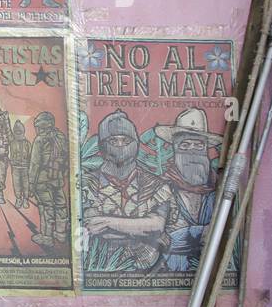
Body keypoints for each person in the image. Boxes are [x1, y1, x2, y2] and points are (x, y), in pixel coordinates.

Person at [81, 110, 172, 269]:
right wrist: (138, 227)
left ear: (136, 145)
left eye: (126, 140)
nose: (121, 145)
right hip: (100, 265)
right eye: (114, 141)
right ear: (102, 147)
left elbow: (156, 226)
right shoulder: (86, 183)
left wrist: (108, 221)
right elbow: (92, 223)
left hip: (149, 267)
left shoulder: (156, 184)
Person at [156, 107, 222, 272]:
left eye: (198, 146)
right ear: (175, 149)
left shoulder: (218, 190)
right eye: (185, 145)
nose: (192, 152)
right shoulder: (161, 188)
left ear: (206, 150)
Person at [29, 110, 70, 247]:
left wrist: (30, 183)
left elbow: (35, 164)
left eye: (38, 126)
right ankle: (61, 234)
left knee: (46, 208)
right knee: (60, 206)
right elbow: (66, 159)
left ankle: (46, 237)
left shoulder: (39, 140)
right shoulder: (61, 137)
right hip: (57, 179)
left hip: (42, 181)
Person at [9, 120, 31, 209]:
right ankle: (18, 199)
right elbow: (11, 155)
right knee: (16, 184)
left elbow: (30, 155)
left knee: (26, 184)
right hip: (15, 167)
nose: (18, 133)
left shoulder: (27, 143)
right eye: (16, 132)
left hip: (25, 167)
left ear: (23, 131)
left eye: (20, 131)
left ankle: (26, 199)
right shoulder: (12, 143)